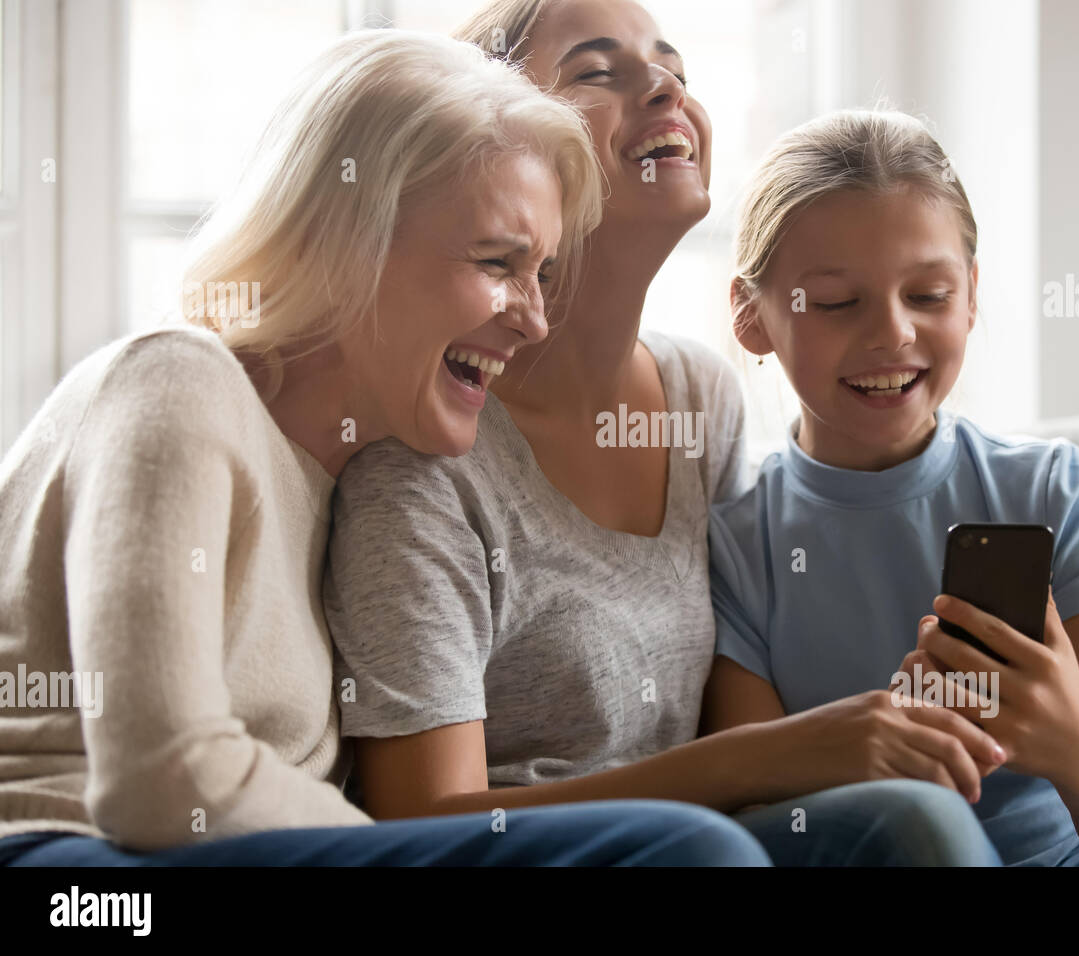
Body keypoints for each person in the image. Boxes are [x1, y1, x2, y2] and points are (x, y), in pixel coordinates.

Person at [0, 28, 769, 868]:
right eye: (497, 263)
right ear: (350, 242)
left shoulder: (346, 481)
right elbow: (161, 777)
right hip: (75, 864)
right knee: (691, 852)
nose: (534, 318)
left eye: (541, 273)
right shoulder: (178, 384)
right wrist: (406, 852)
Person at [324, 0, 1004, 866]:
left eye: (676, 70)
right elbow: (424, 817)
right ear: (490, 140)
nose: (666, 90)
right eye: (598, 72)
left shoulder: (699, 399)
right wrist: (772, 757)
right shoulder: (426, 471)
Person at [701, 106, 1079, 867]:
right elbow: (767, 821)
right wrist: (880, 750)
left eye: (929, 296)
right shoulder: (738, 544)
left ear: (971, 295)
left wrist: (1069, 738)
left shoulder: (1057, 493)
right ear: (751, 316)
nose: (892, 334)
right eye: (839, 303)